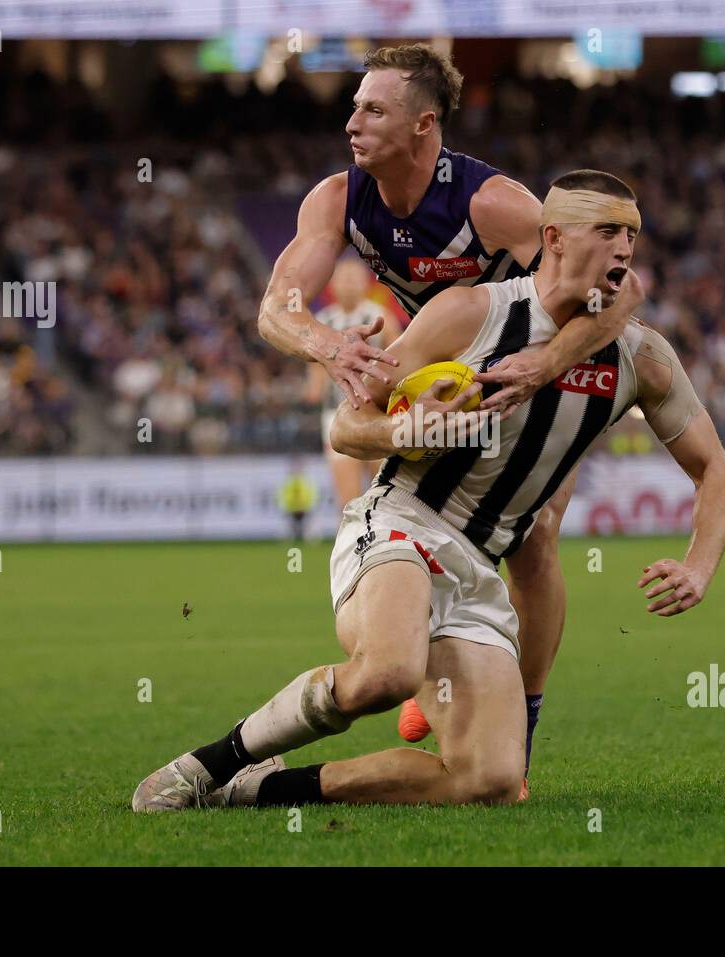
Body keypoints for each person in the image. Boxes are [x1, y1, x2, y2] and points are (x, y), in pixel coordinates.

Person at [132, 171, 725, 811]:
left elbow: (716, 472)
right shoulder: (469, 313)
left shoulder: (641, 359)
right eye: (609, 231)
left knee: (492, 782)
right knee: (387, 673)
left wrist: (700, 566)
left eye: (633, 235)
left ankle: (257, 789)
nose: (625, 249)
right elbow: (347, 425)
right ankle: (207, 765)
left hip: (479, 567)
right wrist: (405, 428)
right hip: (402, 521)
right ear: (554, 238)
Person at [254, 43, 638, 790]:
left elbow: (620, 295)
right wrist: (328, 345)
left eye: (372, 108)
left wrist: (545, 364)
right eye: (355, 105)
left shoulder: (492, 203)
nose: (352, 120)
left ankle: (522, 719)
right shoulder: (337, 198)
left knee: (533, 537)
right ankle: (434, 677)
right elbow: (276, 306)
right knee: (411, 512)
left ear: (424, 125)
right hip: (437, 372)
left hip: (533, 376)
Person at [304, 258, 400, 512]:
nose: (348, 285)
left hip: (376, 411)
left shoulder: (381, 318)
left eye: (353, 278)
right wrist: (314, 388)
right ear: (332, 285)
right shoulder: (323, 320)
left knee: (381, 494)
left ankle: (377, 548)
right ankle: (351, 549)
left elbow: (400, 360)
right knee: (347, 500)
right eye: (343, 279)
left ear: (365, 284)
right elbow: (315, 367)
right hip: (335, 413)